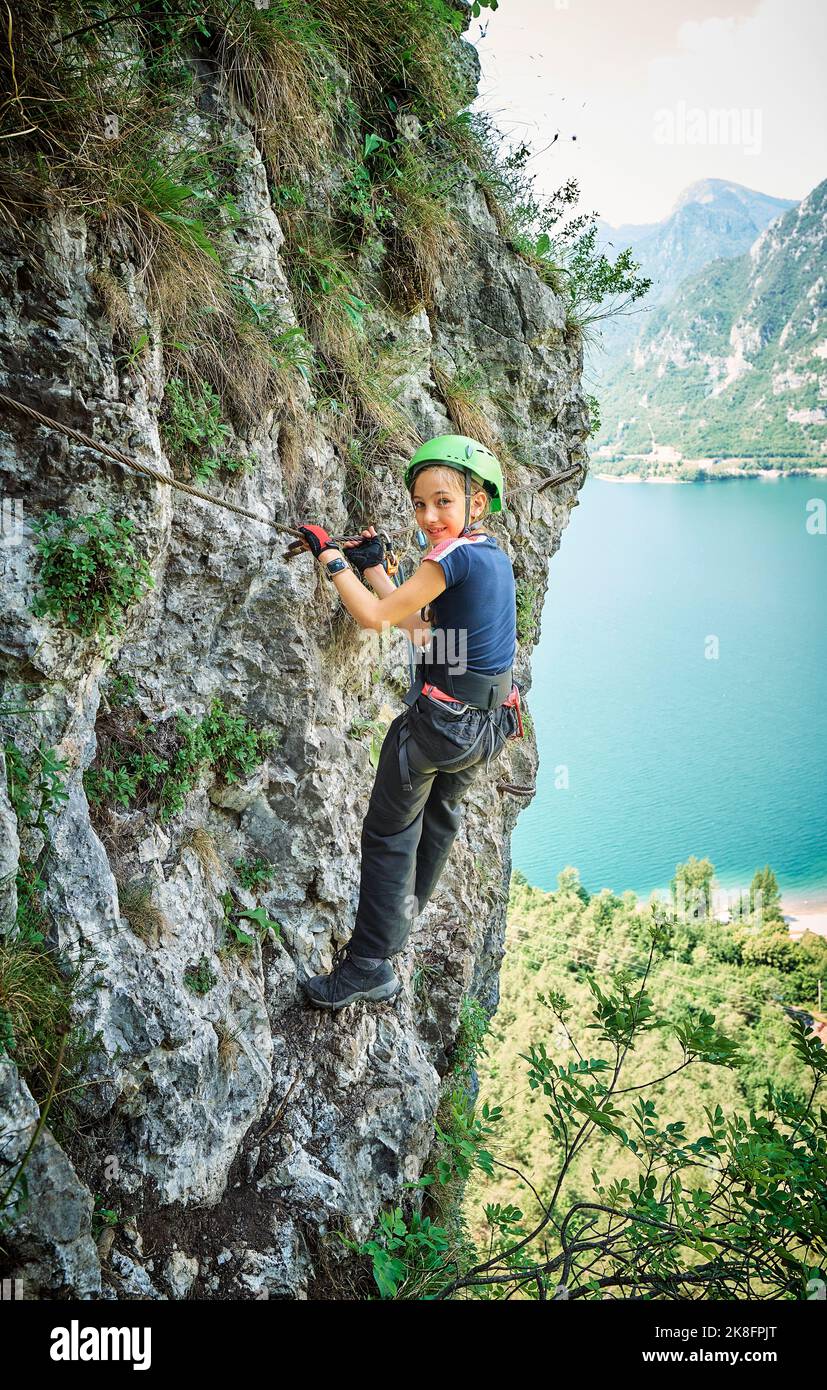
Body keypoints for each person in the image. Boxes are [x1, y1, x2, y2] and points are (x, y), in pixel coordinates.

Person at [292, 435, 523, 1010]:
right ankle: (397, 929)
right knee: (438, 824)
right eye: (420, 504)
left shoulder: (447, 557)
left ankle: (369, 963)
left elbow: (373, 619)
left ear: (478, 503)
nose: (429, 517)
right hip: (489, 723)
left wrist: (333, 559)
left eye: (443, 502)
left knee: (390, 834)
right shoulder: (487, 554)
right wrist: (374, 569)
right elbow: (426, 632)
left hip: (440, 727)